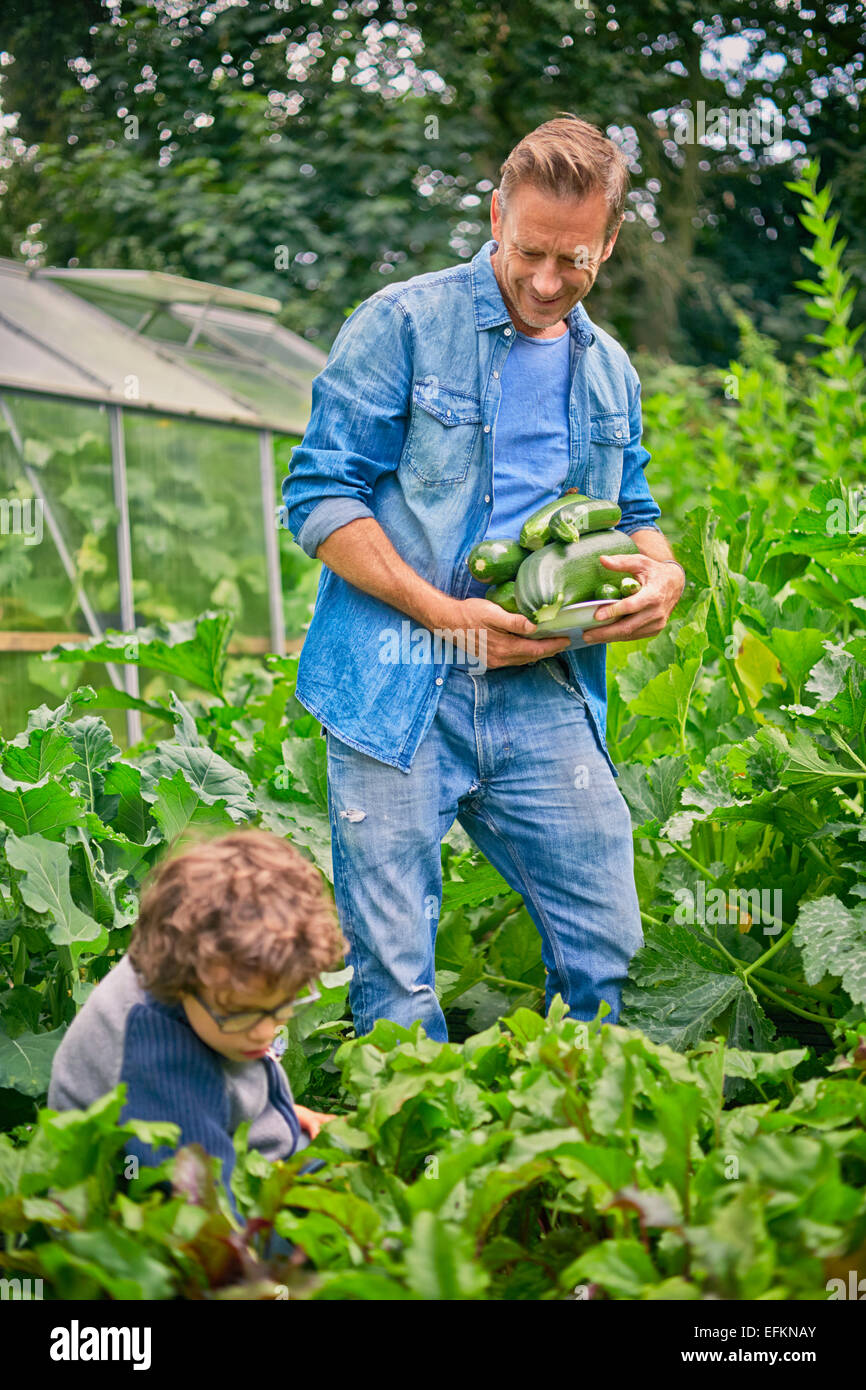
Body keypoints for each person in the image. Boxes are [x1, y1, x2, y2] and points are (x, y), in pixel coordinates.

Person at [283, 113, 686, 1043]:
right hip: (396, 682)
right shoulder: (403, 325)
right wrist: (446, 614)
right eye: (530, 252)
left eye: (575, 262)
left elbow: (632, 511)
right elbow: (319, 497)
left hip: (541, 690)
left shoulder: (609, 372)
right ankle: (417, 1167)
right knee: (396, 986)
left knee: (610, 951)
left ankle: (581, 1151)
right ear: (497, 212)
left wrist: (661, 576)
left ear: (610, 243)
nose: (547, 283)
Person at [48, 829, 345, 1217]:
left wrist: (282, 1111)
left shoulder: (193, 964)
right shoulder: (161, 1059)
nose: (264, 1031)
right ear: (182, 982)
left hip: (226, 1144)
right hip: (153, 1213)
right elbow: (202, 1214)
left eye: (282, 1006)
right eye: (240, 1014)